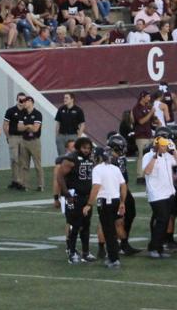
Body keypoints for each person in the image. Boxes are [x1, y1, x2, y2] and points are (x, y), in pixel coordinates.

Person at [54, 135, 96, 263]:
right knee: (74, 225)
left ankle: (85, 252)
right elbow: (60, 176)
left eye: (88, 148)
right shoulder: (70, 159)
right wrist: (66, 194)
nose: (87, 150)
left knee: (86, 225)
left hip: (86, 196)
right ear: (79, 147)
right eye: (84, 148)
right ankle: (71, 252)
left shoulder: (90, 158)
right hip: (74, 196)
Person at [87, 145, 128, 269]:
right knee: (113, 230)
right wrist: (122, 202)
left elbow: (96, 187)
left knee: (109, 232)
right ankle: (114, 256)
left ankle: (114, 259)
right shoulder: (115, 168)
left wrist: (89, 203)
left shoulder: (97, 169)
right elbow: (123, 185)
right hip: (115, 201)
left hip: (105, 202)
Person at [140, 136, 177, 258]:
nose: (165, 147)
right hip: (156, 194)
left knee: (165, 221)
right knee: (162, 220)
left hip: (168, 193)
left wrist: (174, 150)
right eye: (162, 145)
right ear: (156, 146)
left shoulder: (167, 155)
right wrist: (154, 157)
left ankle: (159, 248)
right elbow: (147, 171)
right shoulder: (148, 156)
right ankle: (153, 247)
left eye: (166, 145)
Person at [18, 95, 44, 191]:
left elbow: (35, 129)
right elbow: (19, 128)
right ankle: (25, 185)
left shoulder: (37, 114)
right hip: (24, 141)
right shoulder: (22, 113)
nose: (23, 103)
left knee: (37, 164)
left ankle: (40, 185)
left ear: (30, 102)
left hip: (34, 141)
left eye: (25, 101)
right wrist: (28, 126)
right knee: (24, 165)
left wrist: (27, 126)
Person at [3, 94, 26, 190]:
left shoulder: (27, 111)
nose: (22, 101)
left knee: (22, 160)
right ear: (17, 99)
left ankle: (20, 181)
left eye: (23, 99)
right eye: (20, 99)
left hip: (24, 138)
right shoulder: (11, 111)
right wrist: (8, 137)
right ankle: (15, 180)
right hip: (14, 137)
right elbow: (5, 125)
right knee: (14, 159)